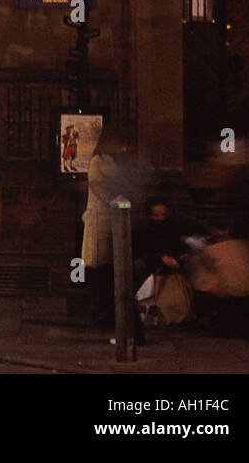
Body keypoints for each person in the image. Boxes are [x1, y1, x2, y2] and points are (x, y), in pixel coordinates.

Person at [80, 124, 143, 342]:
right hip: (101, 221)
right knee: (102, 268)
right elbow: (105, 188)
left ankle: (106, 312)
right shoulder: (100, 161)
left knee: (108, 269)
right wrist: (121, 201)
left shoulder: (109, 161)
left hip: (111, 221)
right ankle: (101, 312)